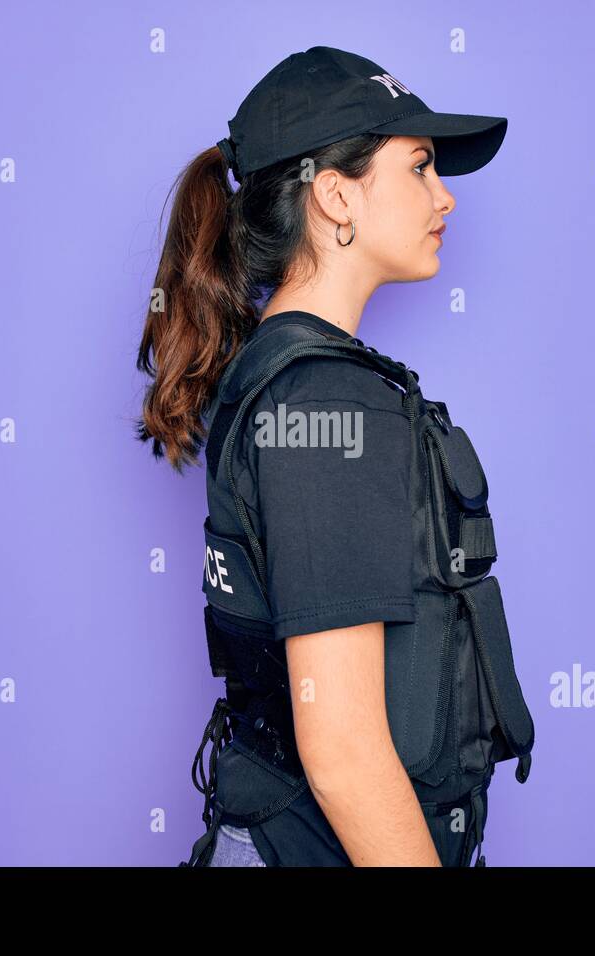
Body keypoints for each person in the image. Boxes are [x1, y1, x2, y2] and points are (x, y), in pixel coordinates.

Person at [135, 46, 525, 866]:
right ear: (335, 193)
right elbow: (344, 753)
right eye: (419, 168)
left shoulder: (290, 378)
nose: (444, 196)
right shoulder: (323, 401)